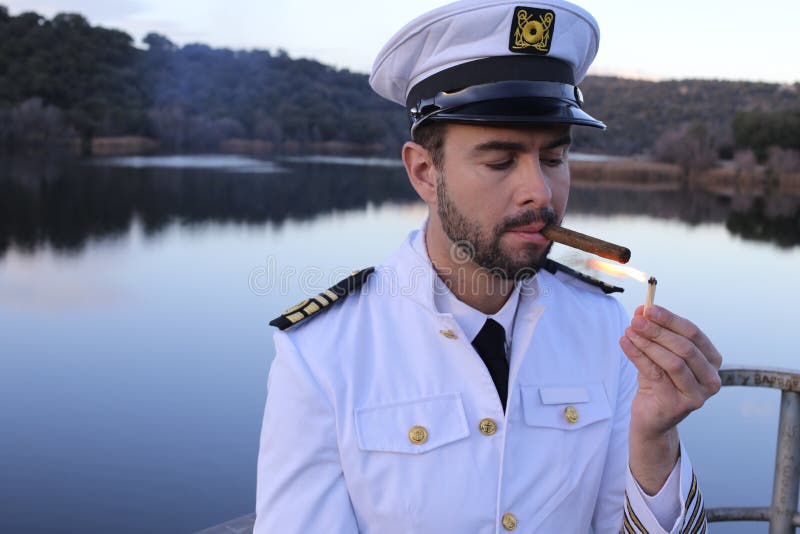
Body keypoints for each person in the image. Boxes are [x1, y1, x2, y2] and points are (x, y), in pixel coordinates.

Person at [255, 0, 722, 532]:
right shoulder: (322, 353)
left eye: (554, 158)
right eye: (500, 161)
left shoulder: (606, 328)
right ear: (425, 172)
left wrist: (655, 440)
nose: (540, 192)